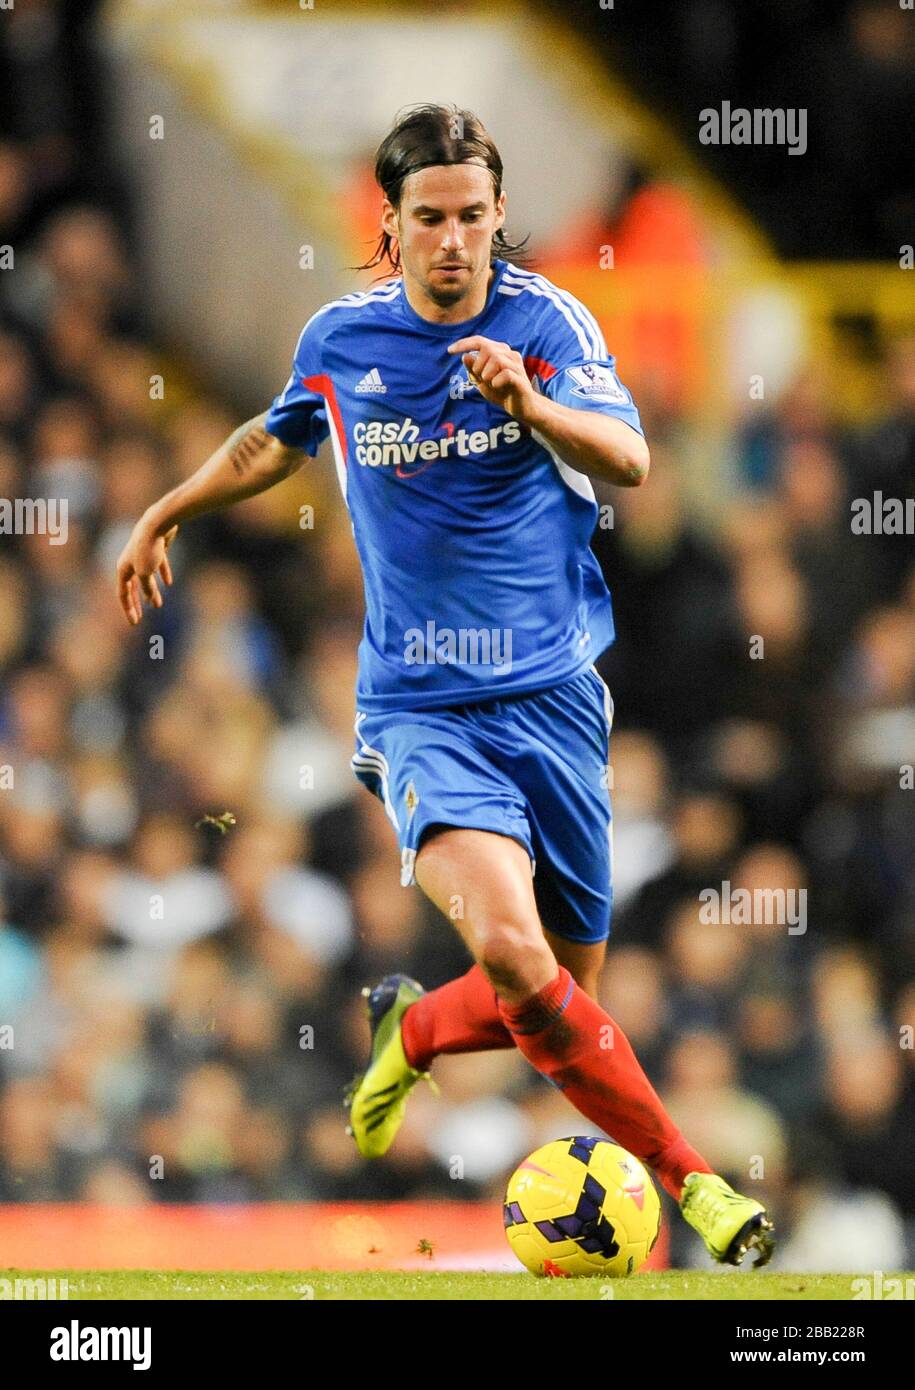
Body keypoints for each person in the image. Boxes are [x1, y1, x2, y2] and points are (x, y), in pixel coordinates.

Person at [116, 103, 774, 1268]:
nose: (455, 238)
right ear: (395, 223)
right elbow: (278, 437)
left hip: (559, 703)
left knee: (556, 998)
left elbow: (627, 457)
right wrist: (168, 508)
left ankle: (411, 1025)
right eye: (432, 218)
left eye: (474, 215)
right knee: (521, 962)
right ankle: (697, 1184)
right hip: (422, 710)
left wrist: (530, 404)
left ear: (498, 214)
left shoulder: (549, 322)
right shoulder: (345, 338)